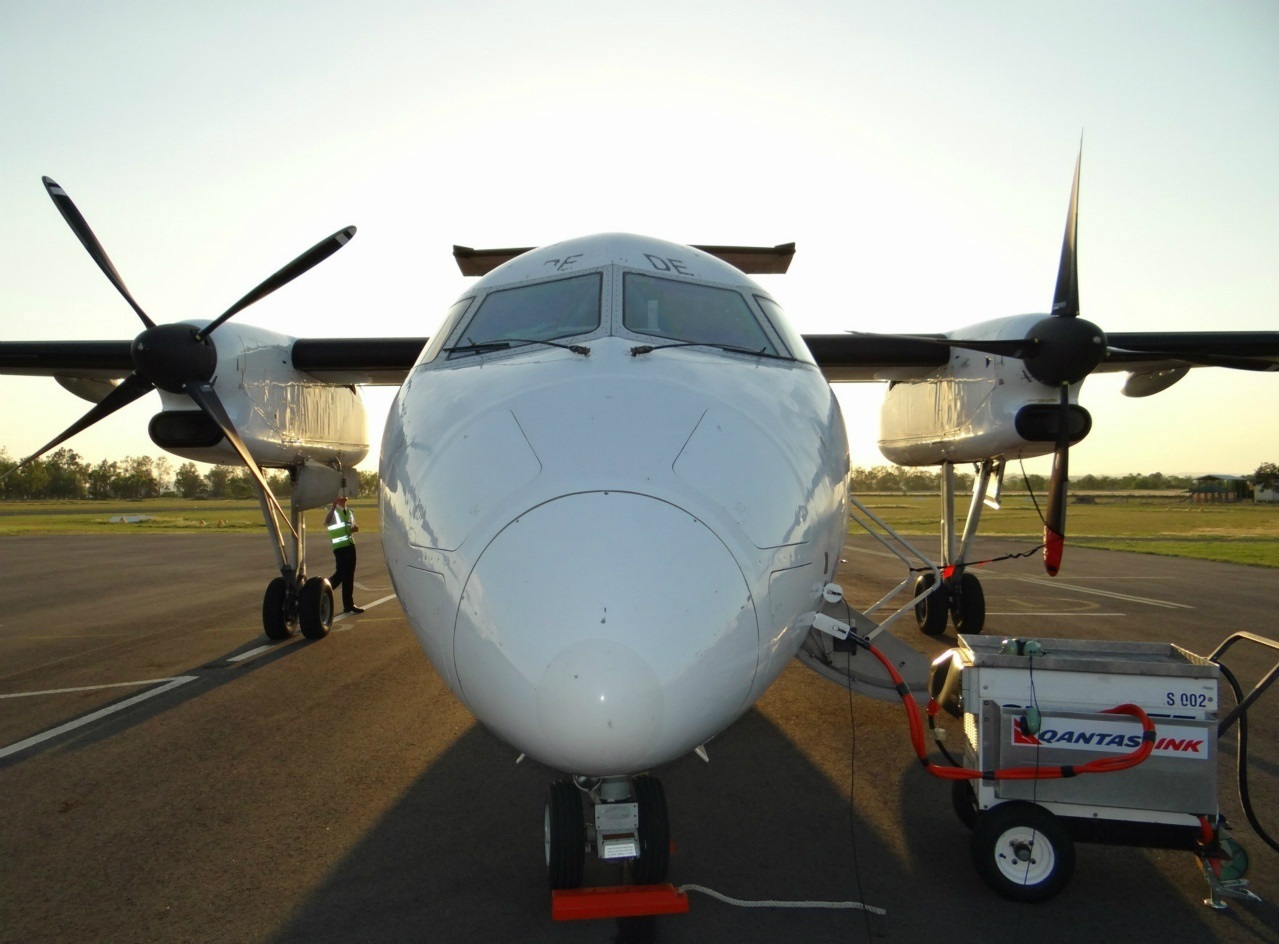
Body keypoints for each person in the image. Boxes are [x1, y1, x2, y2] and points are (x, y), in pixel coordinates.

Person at [325, 491, 364, 615]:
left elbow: (352, 526)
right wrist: (332, 507)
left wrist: (355, 528)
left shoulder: (350, 512)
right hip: (340, 546)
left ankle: (349, 604)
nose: (344, 496)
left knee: (348, 575)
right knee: (340, 574)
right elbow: (326, 522)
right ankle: (321, 590)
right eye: (341, 495)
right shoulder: (334, 511)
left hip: (350, 545)